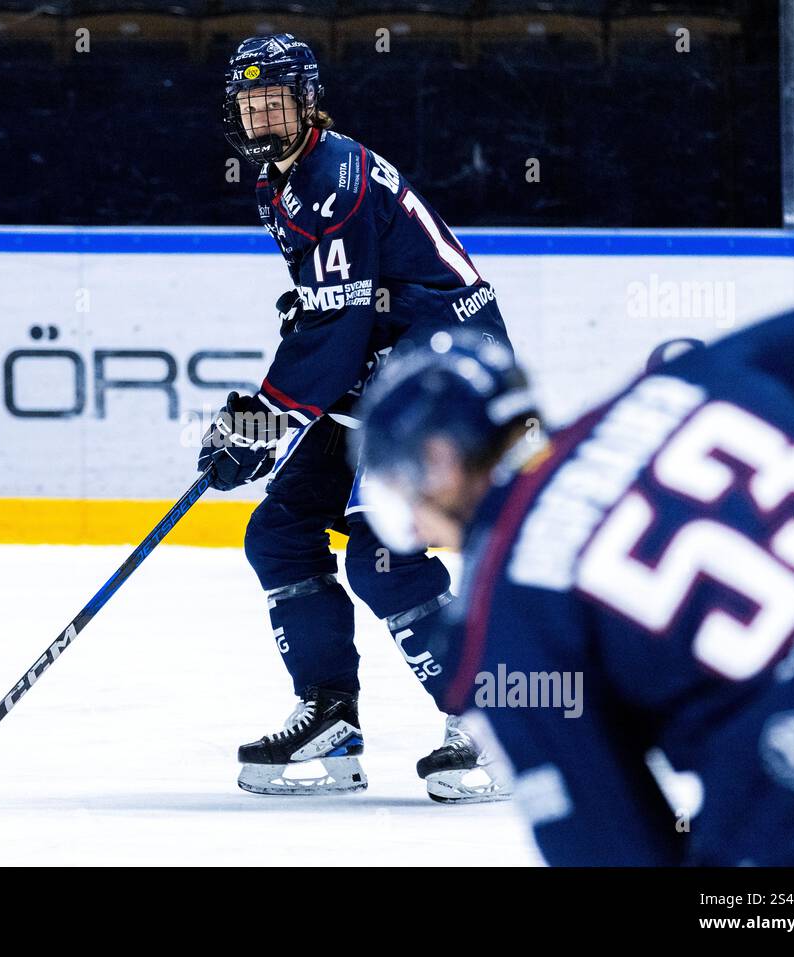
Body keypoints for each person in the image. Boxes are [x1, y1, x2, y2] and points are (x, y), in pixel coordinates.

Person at [355, 299, 794, 864]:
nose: (413, 522)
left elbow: (610, 847)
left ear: (439, 462)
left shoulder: (505, 610)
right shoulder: (688, 383)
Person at [197, 33, 511, 802]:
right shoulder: (279, 185)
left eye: (276, 102)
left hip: (440, 370)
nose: (263, 117)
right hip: (383, 368)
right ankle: (330, 716)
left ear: (309, 102)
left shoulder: (335, 178)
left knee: (381, 553)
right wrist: (268, 412)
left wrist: (267, 419)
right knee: (280, 531)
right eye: (250, 104)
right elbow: (333, 311)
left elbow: (338, 325)